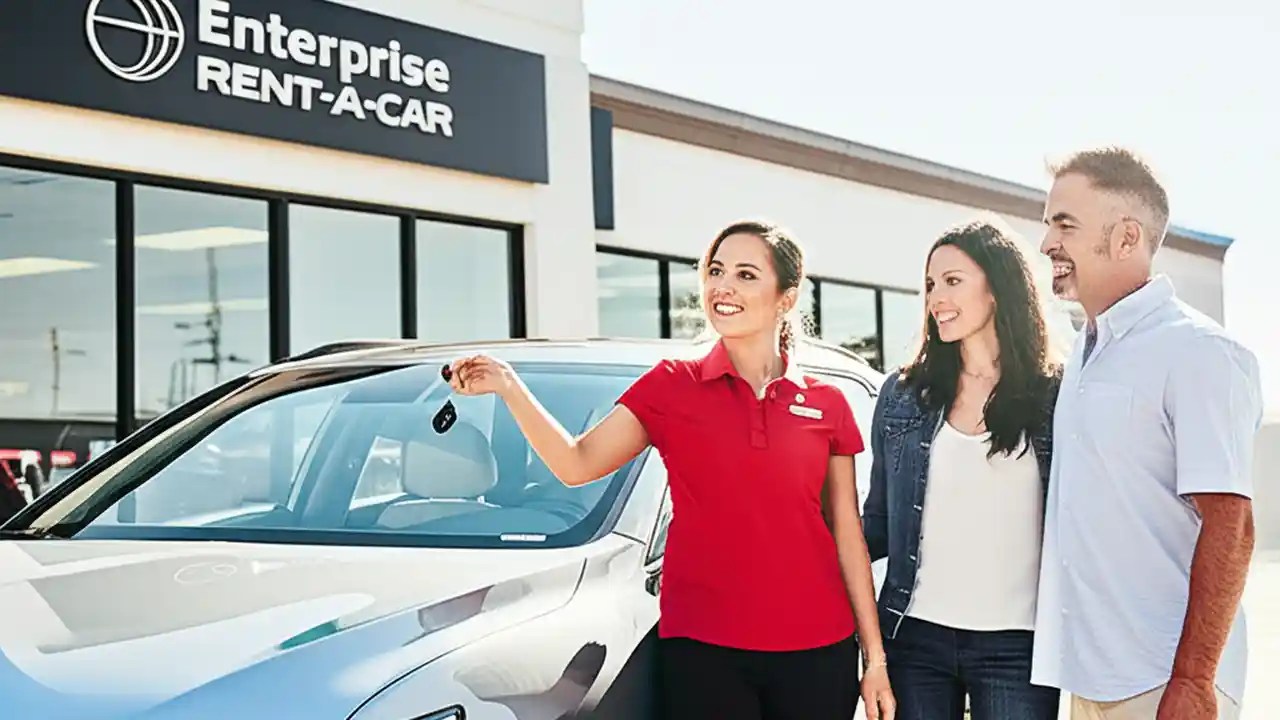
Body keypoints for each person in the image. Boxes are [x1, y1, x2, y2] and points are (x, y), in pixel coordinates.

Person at [446, 219, 896, 720]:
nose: (722, 287)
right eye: (716, 271)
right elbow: (576, 464)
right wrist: (509, 386)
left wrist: (874, 659)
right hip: (704, 650)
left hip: (819, 650)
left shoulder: (827, 403)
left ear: (786, 298)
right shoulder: (671, 387)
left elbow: (847, 535)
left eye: (746, 275)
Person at [1033, 146, 1262, 720]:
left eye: (1066, 225)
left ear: (1127, 238)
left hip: (1166, 683)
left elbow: (1231, 526)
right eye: (1048, 225)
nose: (1046, 245)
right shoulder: (1086, 355)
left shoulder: (1200, 352)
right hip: (1092, 680)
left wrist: (1193, 679)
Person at [861, 217, 1064, 719]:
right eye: (930, 285)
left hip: (1019, 646)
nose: (935, 299)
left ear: (998, 288)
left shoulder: (1056, 395)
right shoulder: (904, 395)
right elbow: (878, 524)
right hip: (915, 640)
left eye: (952, 281)